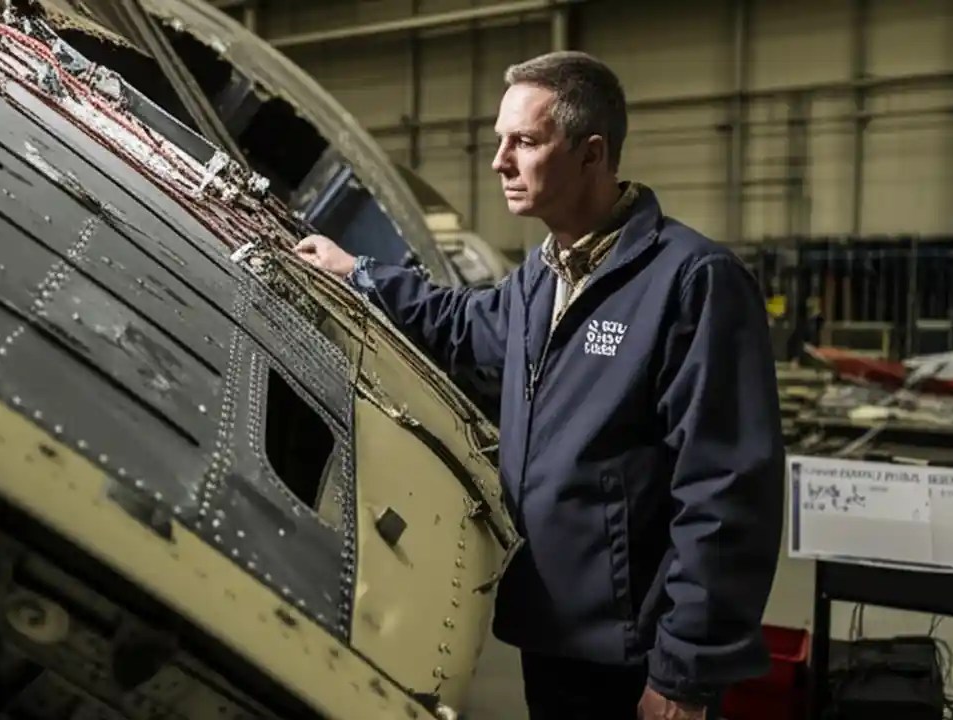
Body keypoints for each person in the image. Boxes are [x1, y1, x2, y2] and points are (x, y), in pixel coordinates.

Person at [295, 51, 784, 720]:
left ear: (591, 154)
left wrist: (685, 672)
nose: (499, 161)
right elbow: (465, 323)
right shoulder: (543, 277)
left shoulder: (691, 282)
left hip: (637, 654)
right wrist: (358, 274)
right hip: (552, 631)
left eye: (523, 141)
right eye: (502, 141)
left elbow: (725, 494)